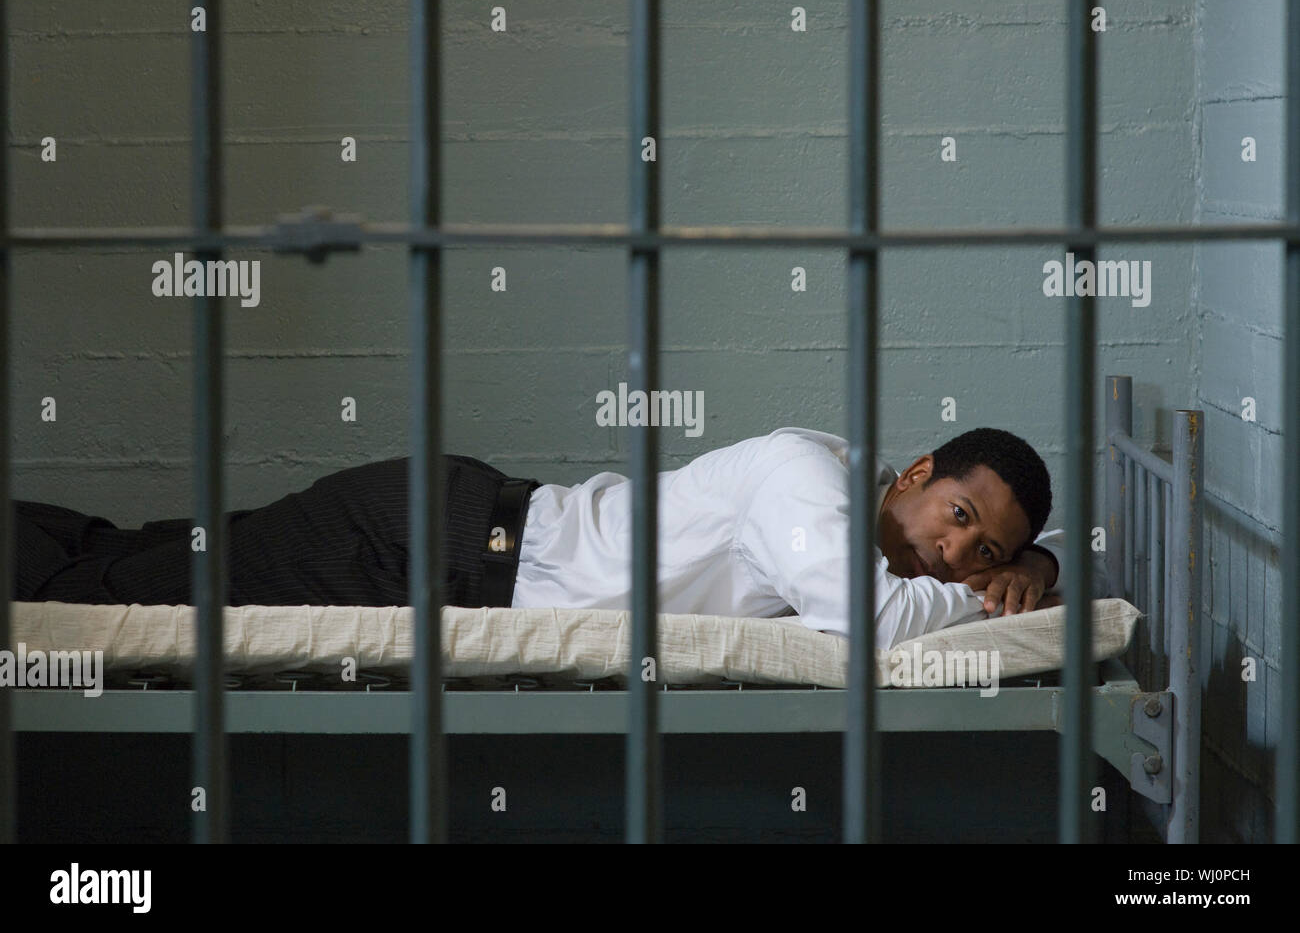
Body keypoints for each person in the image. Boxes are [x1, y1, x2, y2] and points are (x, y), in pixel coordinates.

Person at [10, 427, 1104, 649]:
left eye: (986, 554)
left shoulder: (857, 528)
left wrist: (1040, 571)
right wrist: (1008, 590)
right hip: (430, 542)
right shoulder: (805, 477)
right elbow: (863, 623)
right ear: (913, 474)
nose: (959, 555)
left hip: (453, 537)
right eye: (958, 516)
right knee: (126, 593)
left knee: (155, 551)